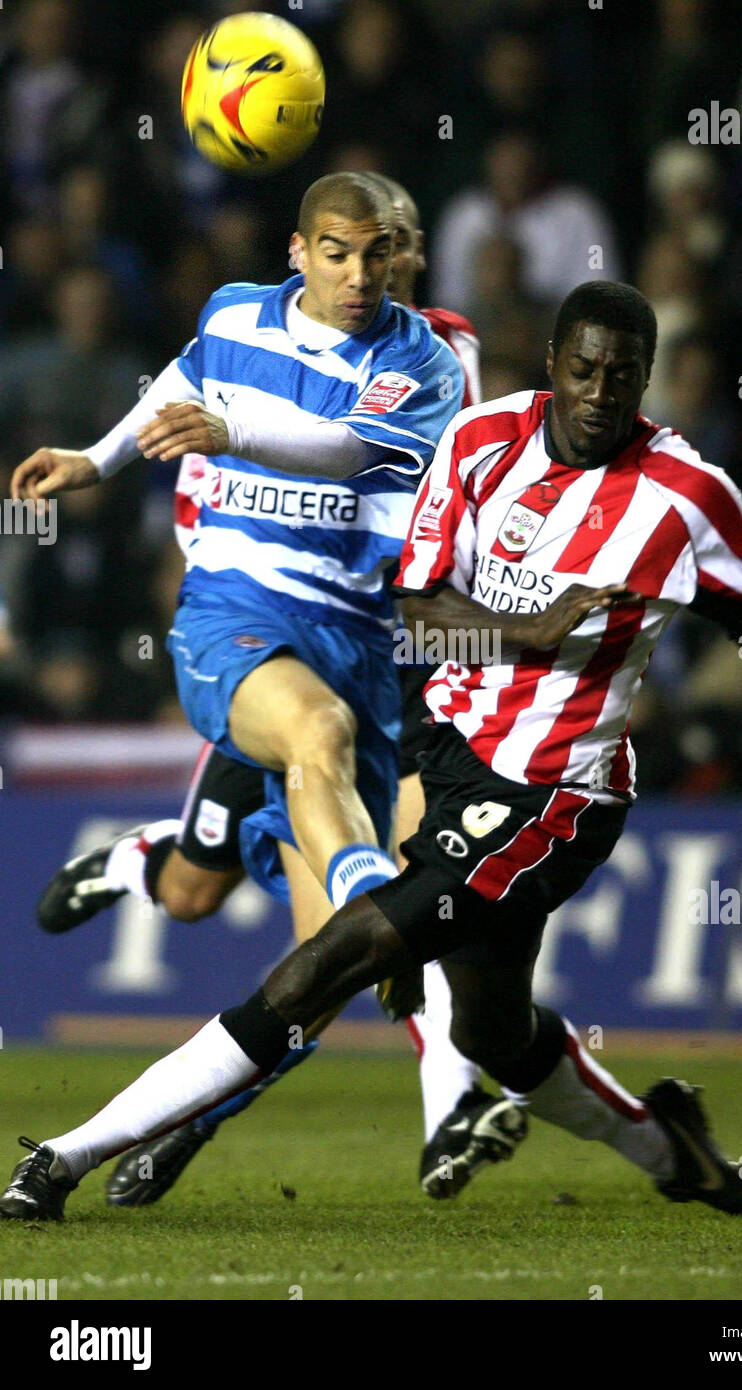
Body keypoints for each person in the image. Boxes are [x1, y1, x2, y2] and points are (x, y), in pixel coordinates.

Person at [10, 279, 742, 1223]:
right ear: (554, 363)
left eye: (624, 375)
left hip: (555, 793)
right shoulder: (481, 443)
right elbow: (422, 604)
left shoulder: (685, 497)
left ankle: (63, 1158)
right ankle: (672, 1146)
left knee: (334, 959)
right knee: (493, 1027)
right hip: (449, 754)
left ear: (649, 380)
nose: (601, 391)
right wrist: (533, 626)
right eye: (584, 368)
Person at [30, 175, 514, 1207]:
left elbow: (345, 449)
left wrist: (228, 436)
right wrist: (99, 459)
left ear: (406, 257)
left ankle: (196, 1122)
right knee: (255, 839)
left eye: (385, 250)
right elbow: (179, 383)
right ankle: (184, 867)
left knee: (320, 963)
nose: (368, 270)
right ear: (302, 251)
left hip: (370, 650)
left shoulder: (435, 358)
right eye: (343, 251)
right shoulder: (234, 316)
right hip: (244, 626)